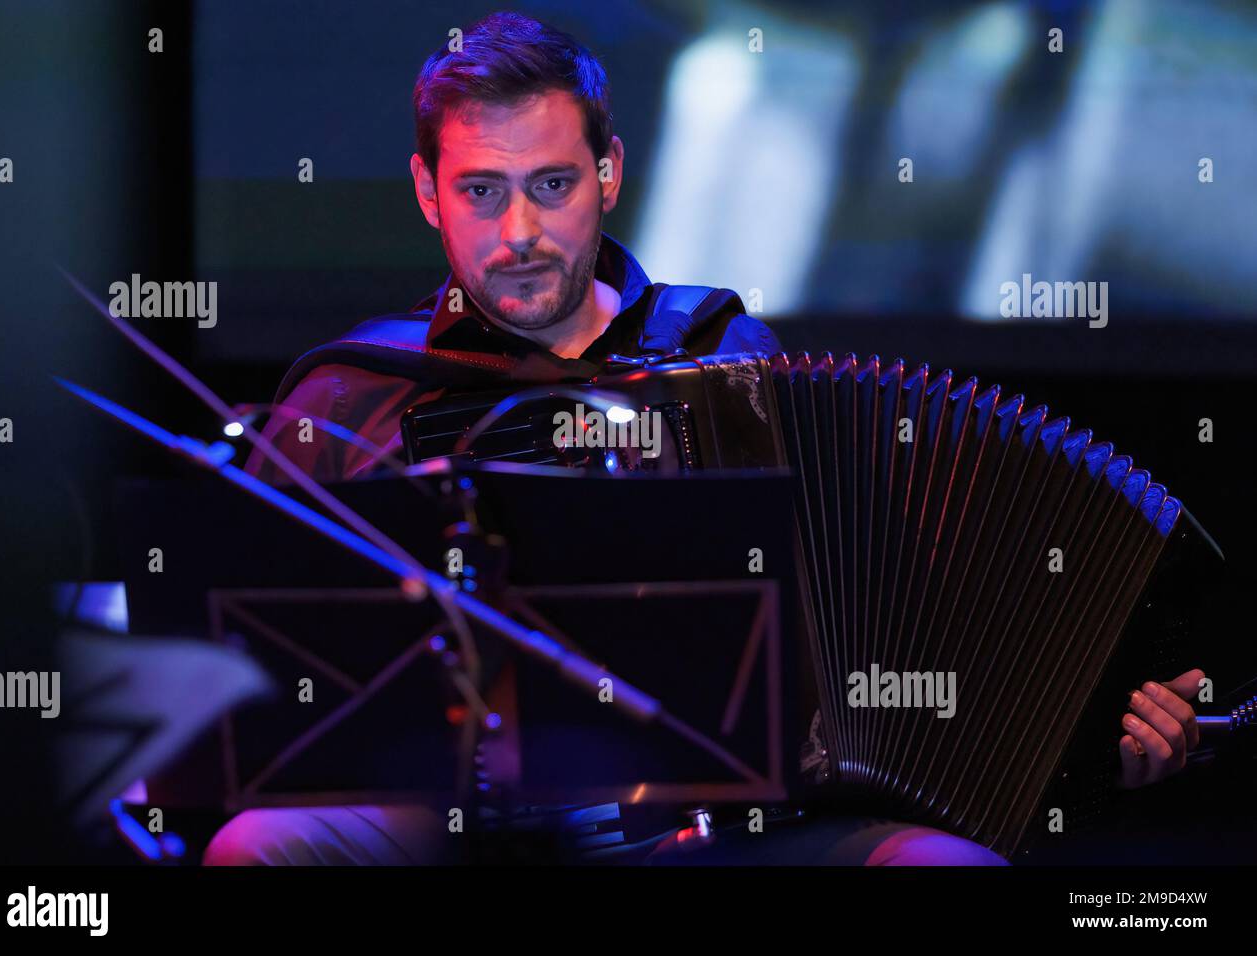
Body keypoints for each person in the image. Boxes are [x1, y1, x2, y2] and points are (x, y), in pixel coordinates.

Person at [205, 11, 1204, 866]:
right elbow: (237, 664)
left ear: (608, 174)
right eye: (480, 191)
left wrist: (1093, 716)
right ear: (428, 192)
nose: (518, 229)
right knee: (255, 847)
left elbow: (881, 606)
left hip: (708, 826)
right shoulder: (351, 393)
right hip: (444, 815)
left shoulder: (723, 358)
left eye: (552, 185)